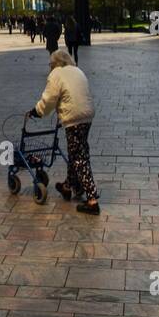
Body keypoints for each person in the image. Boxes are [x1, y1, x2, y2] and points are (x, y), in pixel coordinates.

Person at [29, 50, 99, 215]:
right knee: (76, 152)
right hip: (87, 116)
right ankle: (68, 186)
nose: (50, 66)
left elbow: (48, 100)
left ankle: (92, 200)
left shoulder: (57, 74)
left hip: (73, 118)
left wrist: (36, 111)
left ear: (55, 63)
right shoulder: (77, 70)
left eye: (50, 64)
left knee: (80, 158)